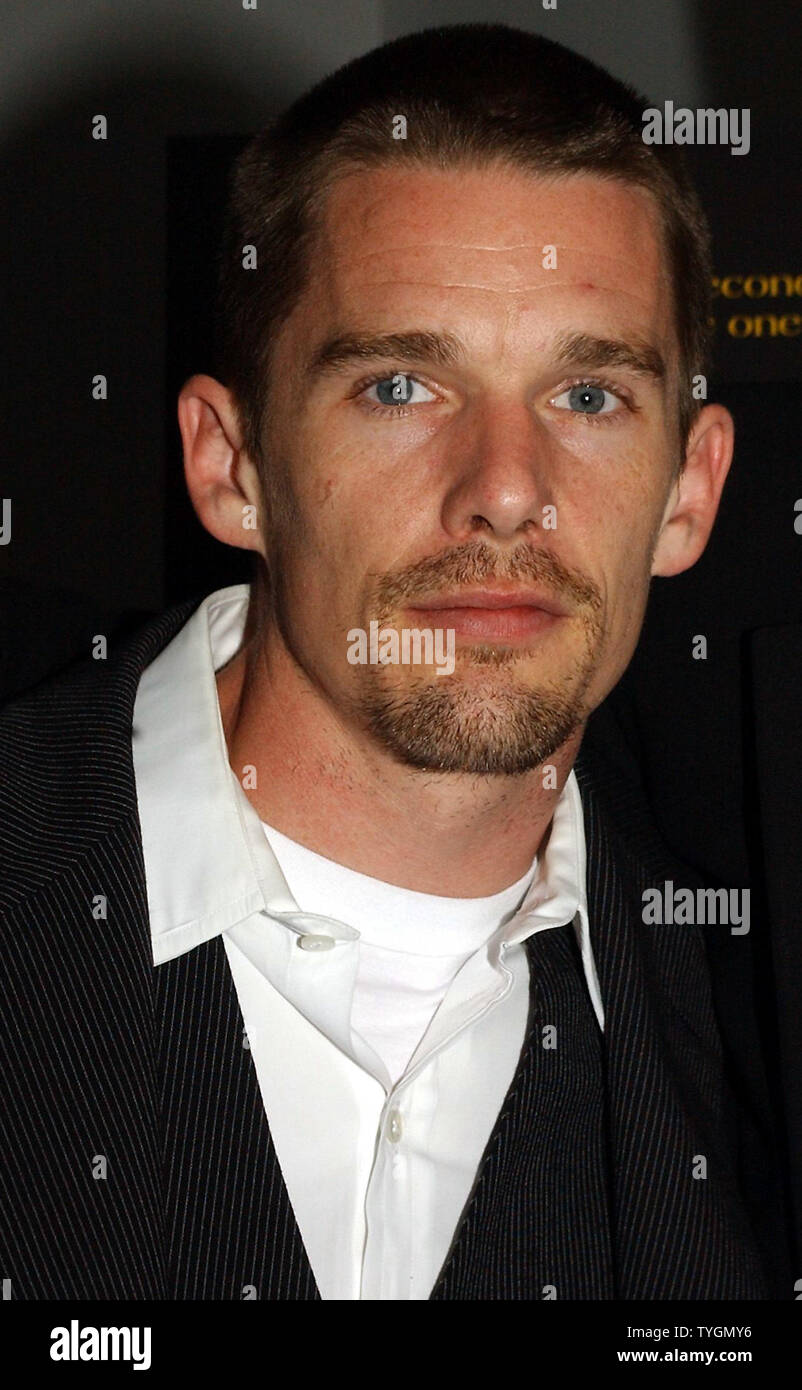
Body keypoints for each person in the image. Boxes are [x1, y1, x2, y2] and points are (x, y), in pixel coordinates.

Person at [0, 22, 791, 1300]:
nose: (506, 490)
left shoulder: (741, 1028)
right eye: (401, 388)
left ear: (689, 492)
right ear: (232, 464)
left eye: (588, 397)